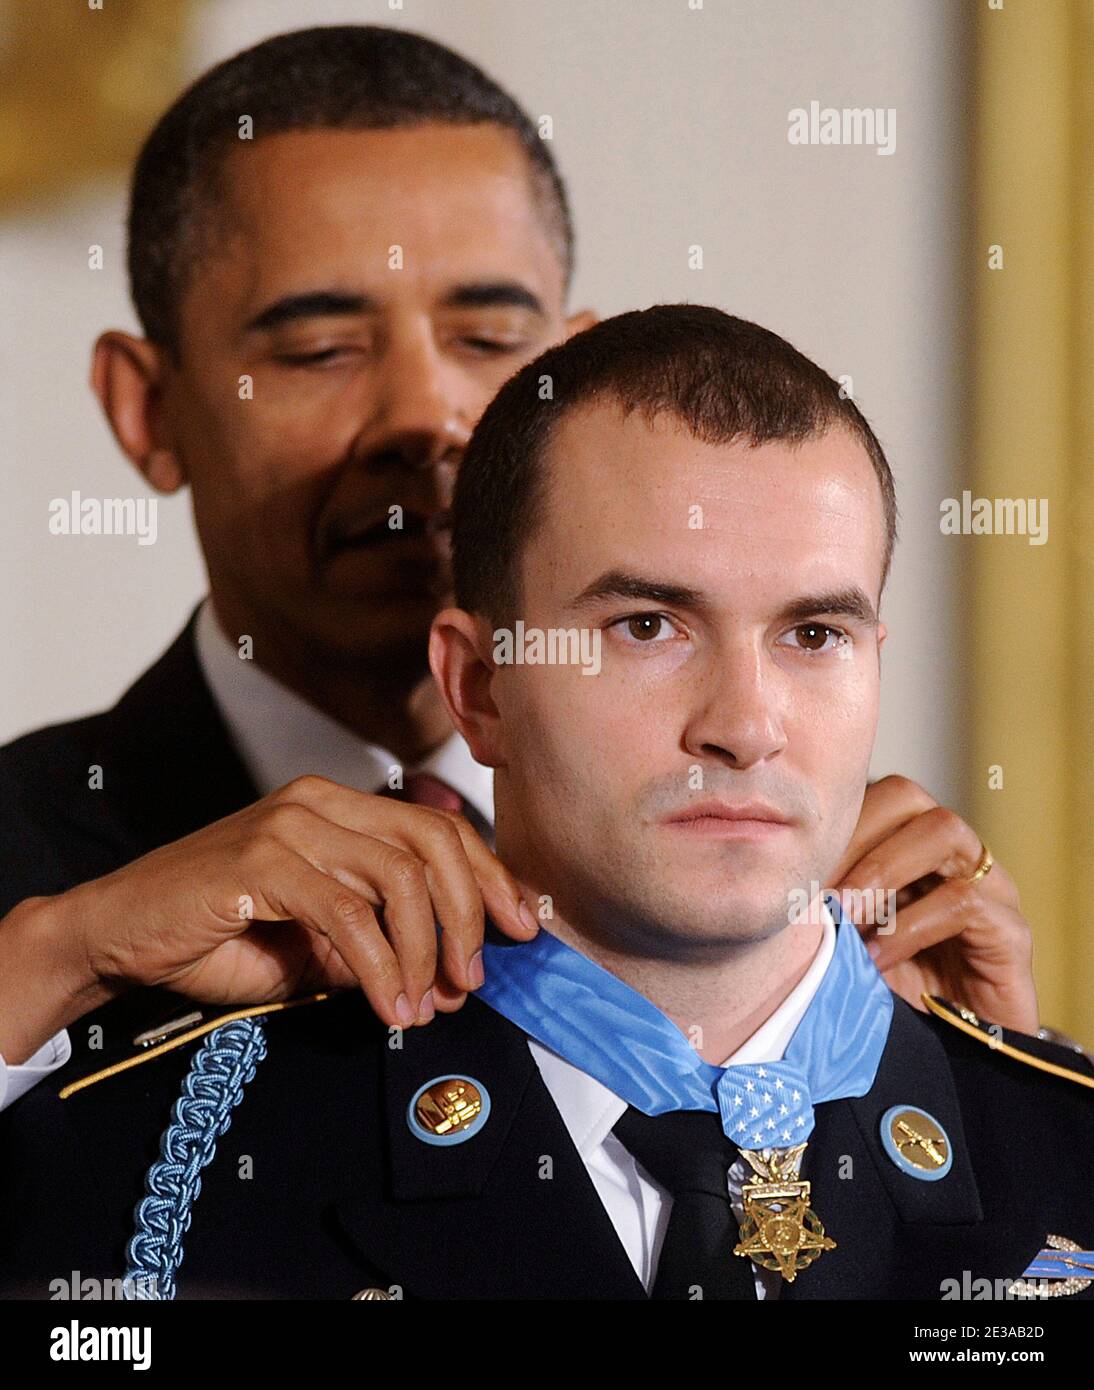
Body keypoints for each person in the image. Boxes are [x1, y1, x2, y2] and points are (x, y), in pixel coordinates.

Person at [0, 28, 1039, 1122]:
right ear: (146, 410)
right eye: (318, 352)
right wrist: (57, 959)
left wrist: (994, 1086)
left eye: (490, 336)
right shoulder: (42, 886)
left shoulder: (798, 868)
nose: (425, 417)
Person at [2, 306, 1090, 1303]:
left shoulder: (1062, 1144)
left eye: (813, 635)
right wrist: (47, 951)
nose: (746, 725)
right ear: (479, 686)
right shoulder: (169, 1158)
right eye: (648, 627)